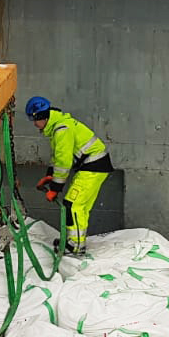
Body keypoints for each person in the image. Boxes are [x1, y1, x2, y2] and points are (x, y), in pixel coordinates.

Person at [24, 96, 113, 257]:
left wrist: (55, 188)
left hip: (93, 166)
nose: (34, 124)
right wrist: (50, 176)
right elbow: (58, 157)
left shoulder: (61, 129)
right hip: (95, 166)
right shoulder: (58, 126)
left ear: (41, 117)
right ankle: (75, 241)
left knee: (72, 205)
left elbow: (64, 162)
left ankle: (76, 247)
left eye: (33, 119)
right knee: (80, 206)